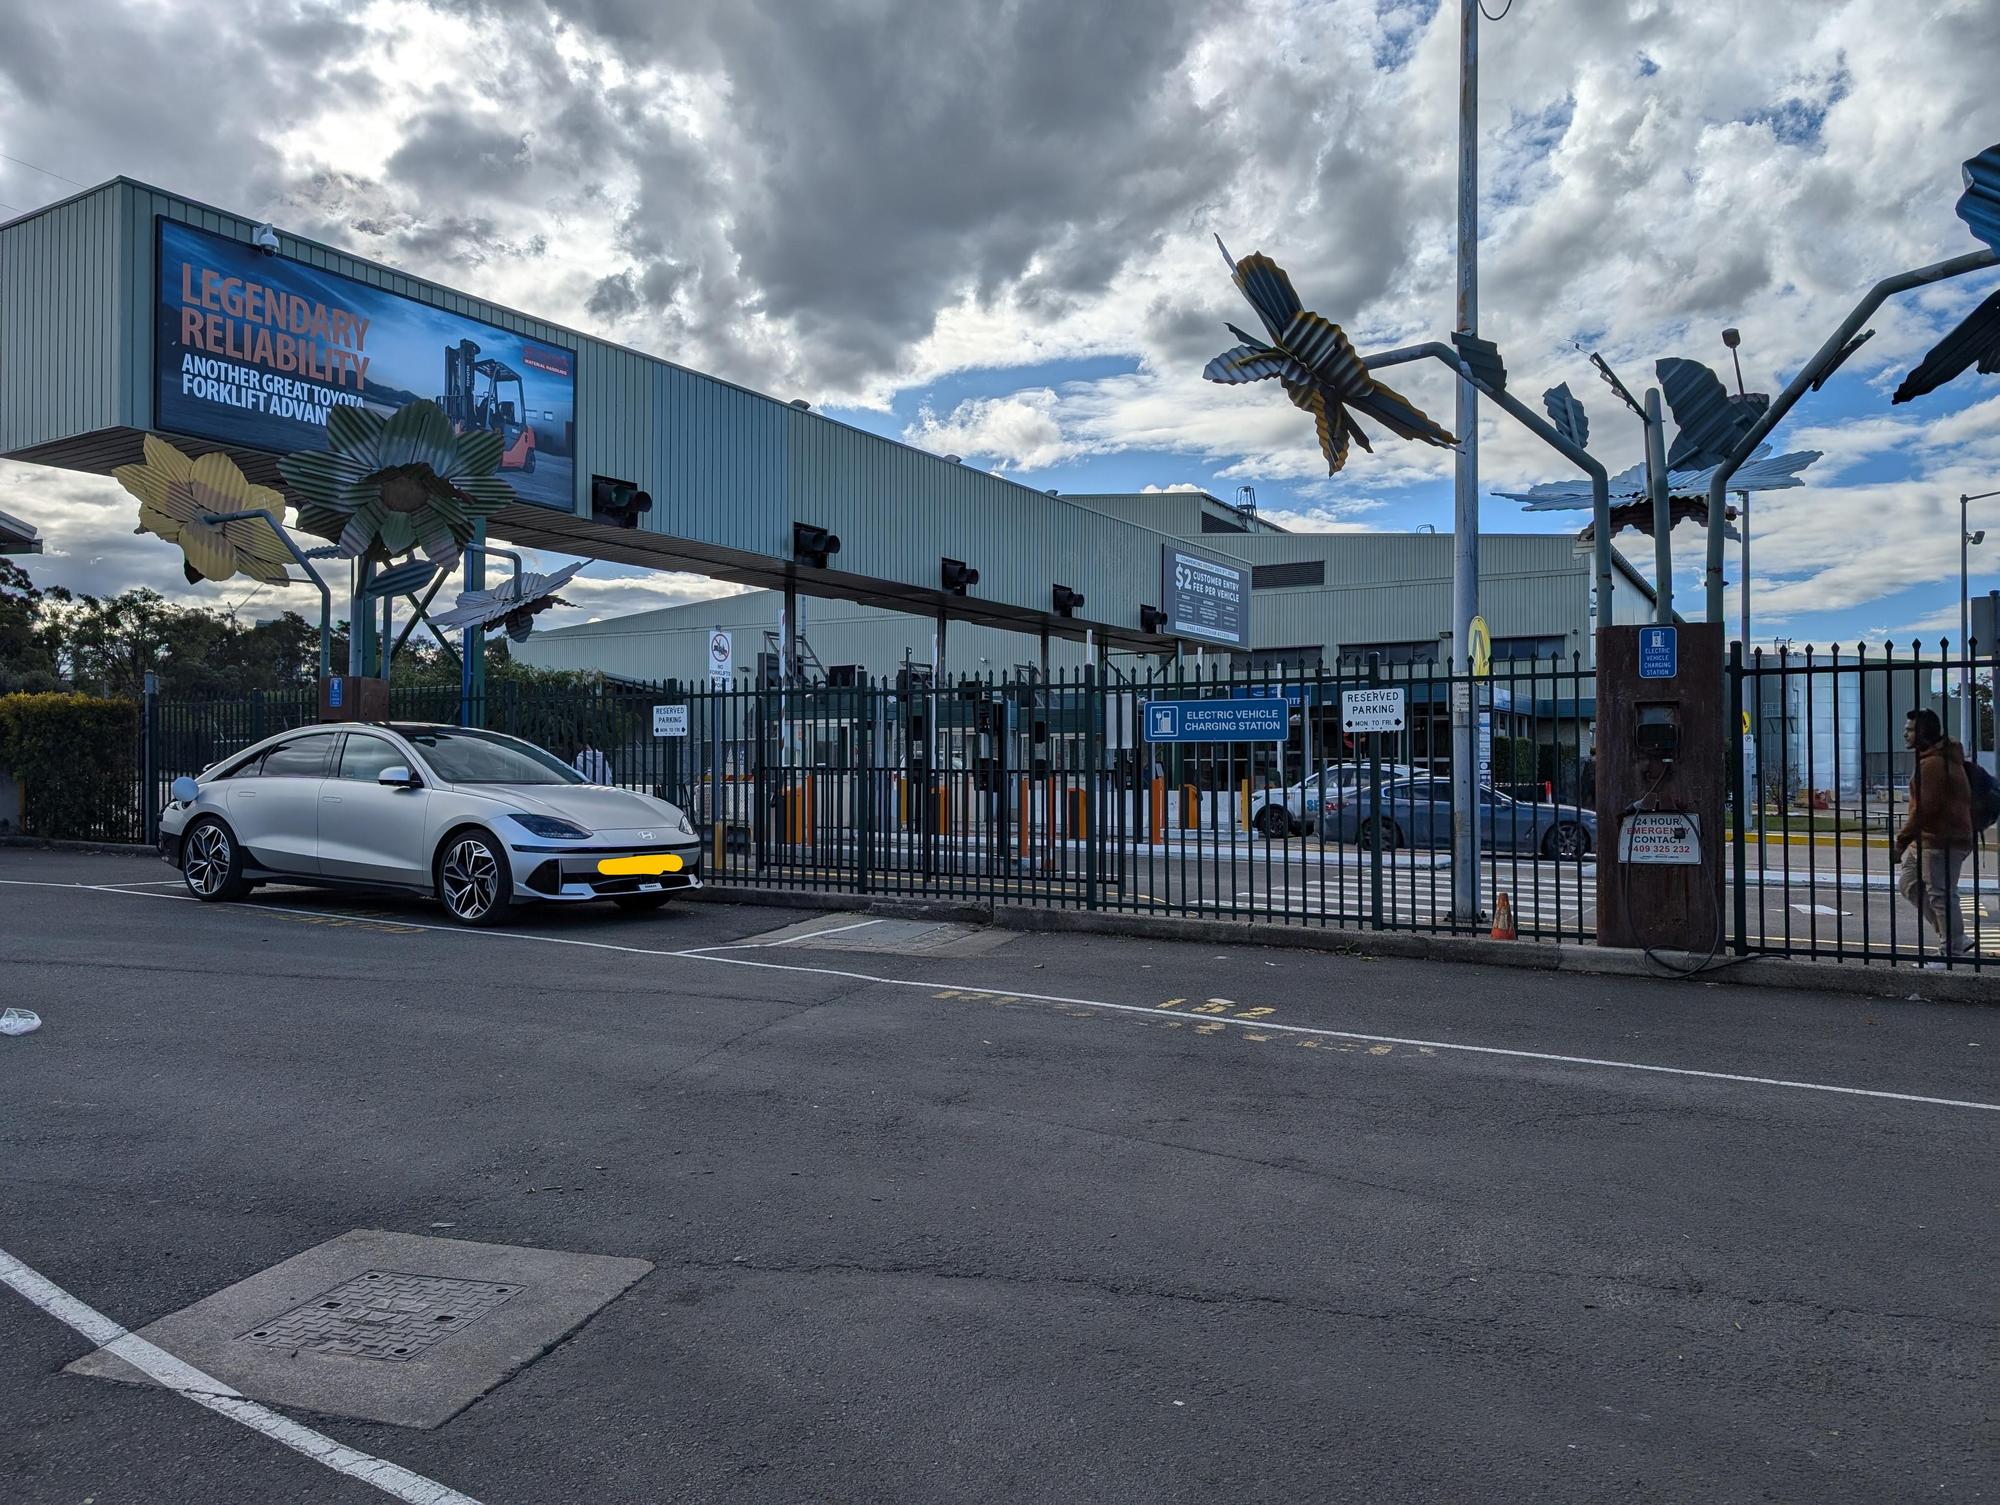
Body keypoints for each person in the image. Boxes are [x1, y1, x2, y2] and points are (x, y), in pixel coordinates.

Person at [1894, 708, 1973, 961]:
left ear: (1923, 732)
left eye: (1910, 730)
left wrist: (1900, 841)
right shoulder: (1930, 759)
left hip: (1942, 840)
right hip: (1926, 840)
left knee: (1940, 894)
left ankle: (1951, 951)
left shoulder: (1935, 764)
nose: (1905, 734)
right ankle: (1954, 936)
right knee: (1909, 884)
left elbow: (1925, 811)